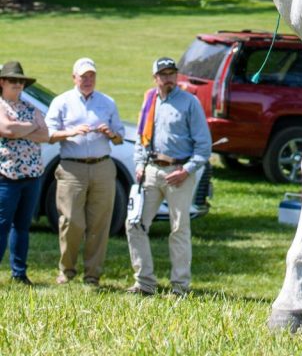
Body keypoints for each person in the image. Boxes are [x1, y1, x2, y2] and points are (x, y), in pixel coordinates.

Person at [126, 57, 211, 296]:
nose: (168, 79)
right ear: (155, 78)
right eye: (163, 75)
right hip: (151, 171)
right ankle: (144, 282)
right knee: (135, 224)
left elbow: (203, 147)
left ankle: (180, 286)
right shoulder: (150, 101)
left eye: (172, 74)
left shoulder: (190, 103)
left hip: (179, 172)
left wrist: (186, 171)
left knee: (179, 229)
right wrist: (140, 164)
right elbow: (142, 137)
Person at [45, 57, 124, 287]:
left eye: (91, 76)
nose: (88, 80)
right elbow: (48, 134)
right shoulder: (62, 102)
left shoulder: (107, 102)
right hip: (72, 169)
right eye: (83, 76)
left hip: (102, 166)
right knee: (72, 221)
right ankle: (66, 270)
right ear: (74, 78)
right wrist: (70, 132)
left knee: (100, 223)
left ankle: (92, 275)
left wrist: (110, 133)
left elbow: (119, 138)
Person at [0, 61, 48, 286]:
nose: (18, 84)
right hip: (6, 178)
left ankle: (19, 273)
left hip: (32, 176)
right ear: (3, 82)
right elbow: (6, 130)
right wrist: (30, 126)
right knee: (2, 225)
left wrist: (21, 127)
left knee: (22, 226)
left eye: (21, 81)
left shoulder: (30, 106)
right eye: (13, 81)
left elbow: (45, 134)